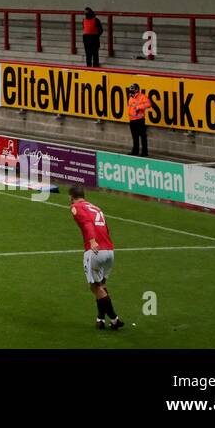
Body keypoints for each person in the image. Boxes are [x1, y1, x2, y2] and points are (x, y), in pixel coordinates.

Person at [69, 185, 123, 330]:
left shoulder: (76, 207)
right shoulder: (96, 208)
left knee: (94, 287)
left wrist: (92, 240)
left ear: (71, 197)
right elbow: (106, 228)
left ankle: (114, 319)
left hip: (95, 250)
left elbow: (87, 224)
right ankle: (100, 319)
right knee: (101, 285)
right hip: (109, 251)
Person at [125, 82, 151, 157]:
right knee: (134, 137)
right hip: (132, 120)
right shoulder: (131, 97)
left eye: (132, 89)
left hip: (139, 120)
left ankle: (144, 152)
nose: (131, 91)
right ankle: (135, 150)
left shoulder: (142, 96)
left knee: (143, 136)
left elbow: (149, 104)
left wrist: (139, 107)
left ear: (136, 90)